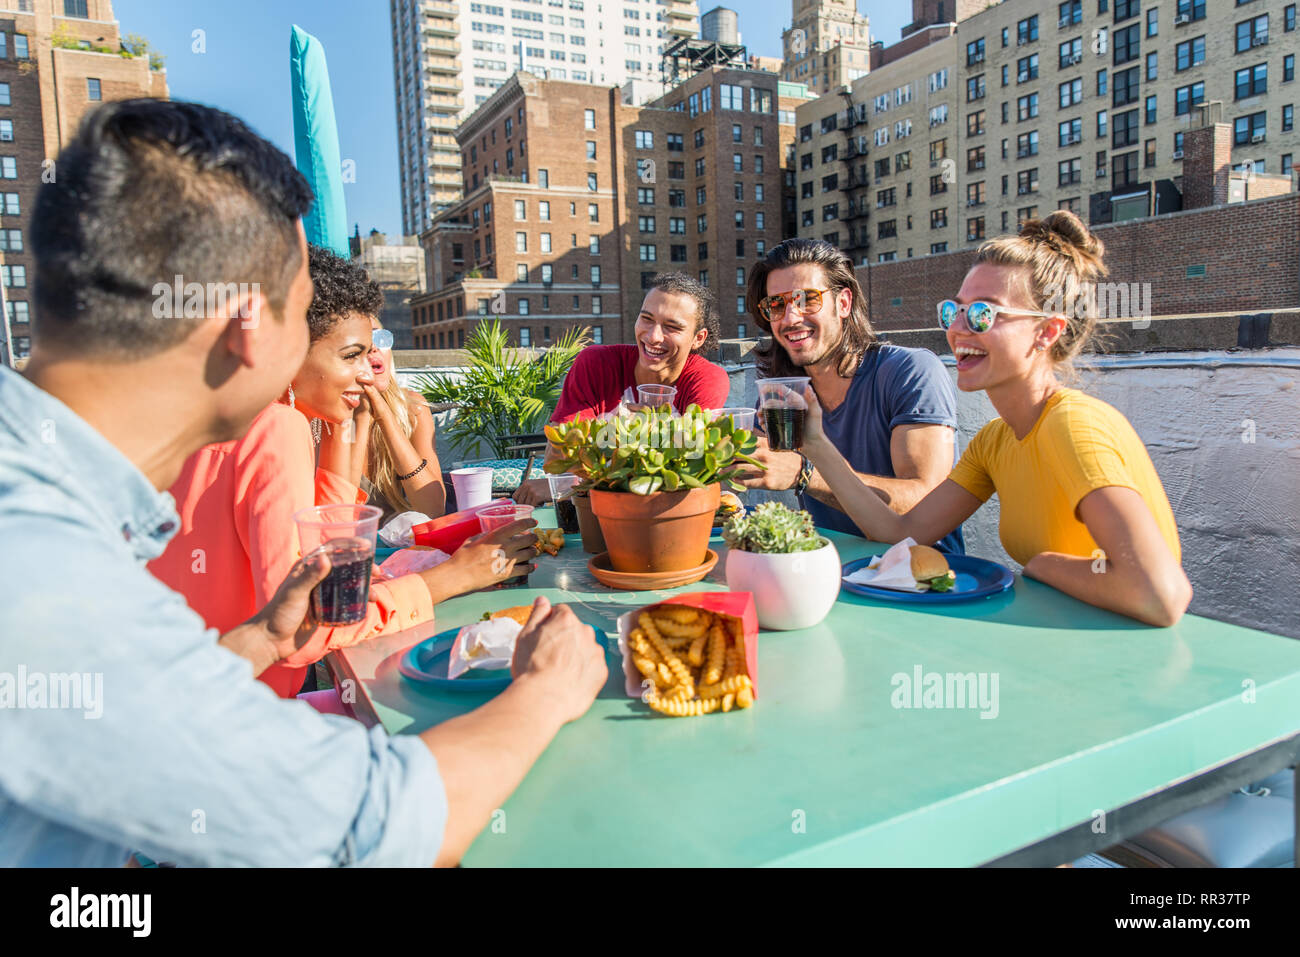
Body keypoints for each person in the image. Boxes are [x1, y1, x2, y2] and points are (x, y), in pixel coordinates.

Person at [0, 98, 606, 867]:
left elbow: (133, 704)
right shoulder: (46, 578)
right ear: (251, 325)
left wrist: (256, 640)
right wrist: (547, 689)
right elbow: (379, 829)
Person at [149, 245, 529, 698]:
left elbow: (322, 546)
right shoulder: (277, 427)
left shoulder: (212, 413)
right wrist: (455, 577)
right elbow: (301, 628)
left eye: (370, 355)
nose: (368, 371)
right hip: (239, 716)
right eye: (351, 355)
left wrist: (348, 421)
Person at [798, 212, 1192, 627]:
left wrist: (1042, 566)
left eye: (984, 314)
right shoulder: (996, 441)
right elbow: (901, 533)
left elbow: (1161, 594)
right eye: (955, 311)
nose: (960, 328)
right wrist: (817, 447)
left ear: (1047, 332)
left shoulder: (1073, 424)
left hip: (1121, 666)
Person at [736, 239, 964, 555]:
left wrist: (806, 474)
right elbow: (753, 461)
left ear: (843, 303)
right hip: (831, 575)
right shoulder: (784, 395)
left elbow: (926, 501)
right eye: (776, 305)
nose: (790, 318)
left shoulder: (909, 371)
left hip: (922, 581)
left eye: (807, 299)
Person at [513, 272, 731, 505]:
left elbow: (695, 467)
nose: (653, 336)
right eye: (647, 318)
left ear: (698, 338)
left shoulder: (707, 378)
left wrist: (607, 448)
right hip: (595, 513)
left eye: (672, 327)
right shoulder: (595, 363)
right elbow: (558, 455)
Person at [360, 315, 447, 522]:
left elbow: (433, 510)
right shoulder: (318, 422)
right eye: (361, 339)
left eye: (380, 337)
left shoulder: (412, 409)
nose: (374, 347)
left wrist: (385, 416)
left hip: (402, 549)